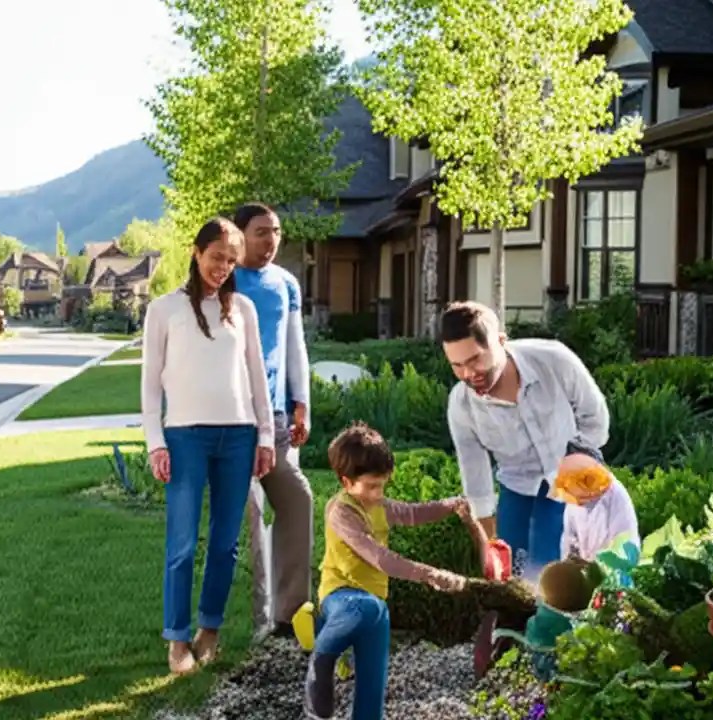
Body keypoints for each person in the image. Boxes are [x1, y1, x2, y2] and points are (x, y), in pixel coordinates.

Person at [141, 216, 276, 675]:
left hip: (238, 437)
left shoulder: (244, 310)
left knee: (224, 545)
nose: (222, 267)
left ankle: (209, 630)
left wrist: (264, 436)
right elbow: (149, 386)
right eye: (216, 257)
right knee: (181, 543)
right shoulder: (163, 310)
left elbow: (258, 378)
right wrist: (156, 442)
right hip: (185, 437)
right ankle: (177, 641)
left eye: (231, 260)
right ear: (196, 253)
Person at [301, 422, 475, 720]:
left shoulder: (378, 504)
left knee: (373, 679)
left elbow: (410, 513)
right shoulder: (341, 511)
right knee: (366, 608)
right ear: (346, 482)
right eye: (371, 486)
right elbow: (379, 558)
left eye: (382, 485)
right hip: (341, 596)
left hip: (374, 606)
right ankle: (323, 652)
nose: (378, 493)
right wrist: (429, 574)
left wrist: (449, 505)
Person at [440, 301, 609, 581]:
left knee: (550, 569)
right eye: (457, 366)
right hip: (516, 484)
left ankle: (561, 618)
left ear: (501, 342)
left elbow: (596, 421)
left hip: (570, 474)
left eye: (474, 360)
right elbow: (477, 479)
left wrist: (575, 472)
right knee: (511, 572)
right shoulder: (461, 405)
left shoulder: (554, 360)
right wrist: (489, 542)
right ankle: (519, 623)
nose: (468, 374)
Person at [231, 202, 315, 641]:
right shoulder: (221, 279)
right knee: (250, 514)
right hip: (231, 419)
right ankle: (258, 614)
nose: (271, 240)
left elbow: (294, 346)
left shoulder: (285, 283)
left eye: (276, 231)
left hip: (278, 419)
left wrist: (302, 401)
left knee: (296, 502)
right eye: (261, 232)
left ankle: (290, 614)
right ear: (239, 234)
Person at [553, 452, 640, 562]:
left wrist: (596, 565)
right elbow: (569, 541)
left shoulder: (615, 497)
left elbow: (625, 546)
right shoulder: (572, 501)